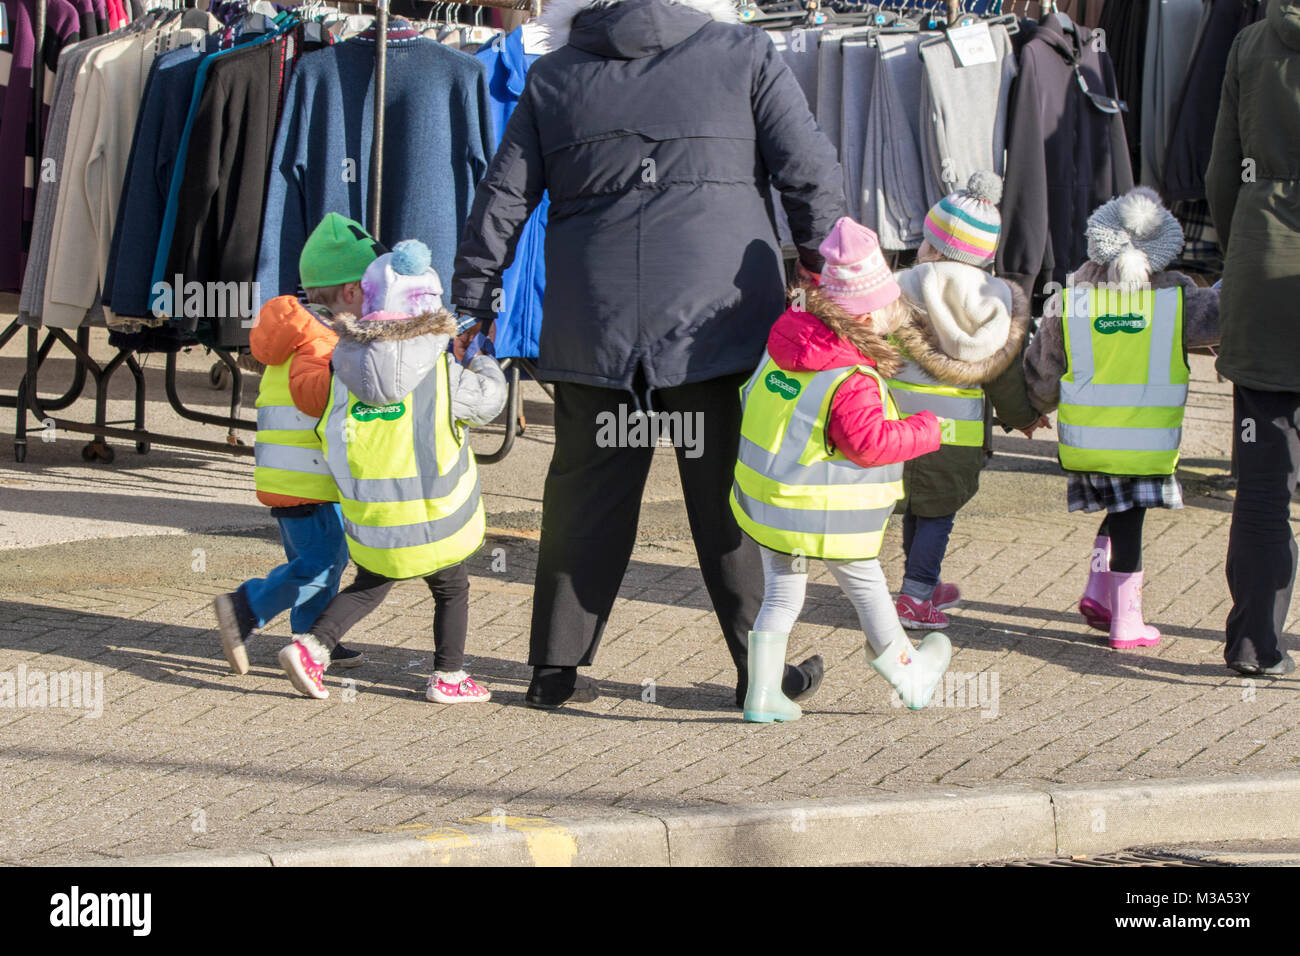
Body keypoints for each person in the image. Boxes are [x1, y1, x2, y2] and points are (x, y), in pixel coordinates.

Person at [451, 0, 847, 709]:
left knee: (584, 491)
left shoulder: (555, 76)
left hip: (593, 321)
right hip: (716, 325)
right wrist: (832, 274)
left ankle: (553, 669)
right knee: (733, 495)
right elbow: (810, 174)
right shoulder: (745, 55)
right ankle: (761, 670)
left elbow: (501, 198)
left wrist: (474, 299)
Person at [731, 218, 950, 723]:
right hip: (825, 511)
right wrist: (927, 429)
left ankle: (762, 694)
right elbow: (870, 444)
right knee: (868, 585)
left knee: (783, 591)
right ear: (868, 318)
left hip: (771, 505)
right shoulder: (849, 375)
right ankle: (908, 674)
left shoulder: (786, 343)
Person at [277, 240, 507, 702]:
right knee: (452, 587)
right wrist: (477, 358)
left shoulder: (344, 363)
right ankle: (449, 677)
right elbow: (489, 403)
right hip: (435, 515)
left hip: (374, 517)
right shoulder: (442, 372)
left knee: (369, 583)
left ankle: (311, 647)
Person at [1025, 187, 1220, 650]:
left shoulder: (1072, 291)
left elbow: (1045, 366)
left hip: (1088, 438)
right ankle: (1126, 622)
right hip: (1145, 439)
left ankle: (1098, 592)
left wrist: (1032, 410)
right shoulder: (1172, 292)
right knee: (1130, 521)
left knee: (1117, 511)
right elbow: (1216, 321)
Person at [213, 213, 381, 673]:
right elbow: (312, 394)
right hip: (306, 479)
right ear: (350, 291)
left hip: (293, 474)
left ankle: (311, 637)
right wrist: (348, 374)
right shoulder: (320, 338)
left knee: (314, 558)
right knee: (324, 562)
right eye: (371, 291)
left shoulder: (305, 330)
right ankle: (246, 607)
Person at [888, 171, 1045, 630]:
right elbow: (1003, 379)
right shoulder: (994, 302)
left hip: (895, 430)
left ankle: (918, 585)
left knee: (914, 507)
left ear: (933, 246)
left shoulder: (899, 288)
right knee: (936, 513)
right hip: (955, 439)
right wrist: (1025, 418)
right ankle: (917, 595)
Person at [1206, 0, 1300, 676]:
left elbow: (1220, 173)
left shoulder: (1251, 44)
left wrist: (1244, 236)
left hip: (1264, 265)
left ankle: (1252, 643)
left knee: (1264, 483)